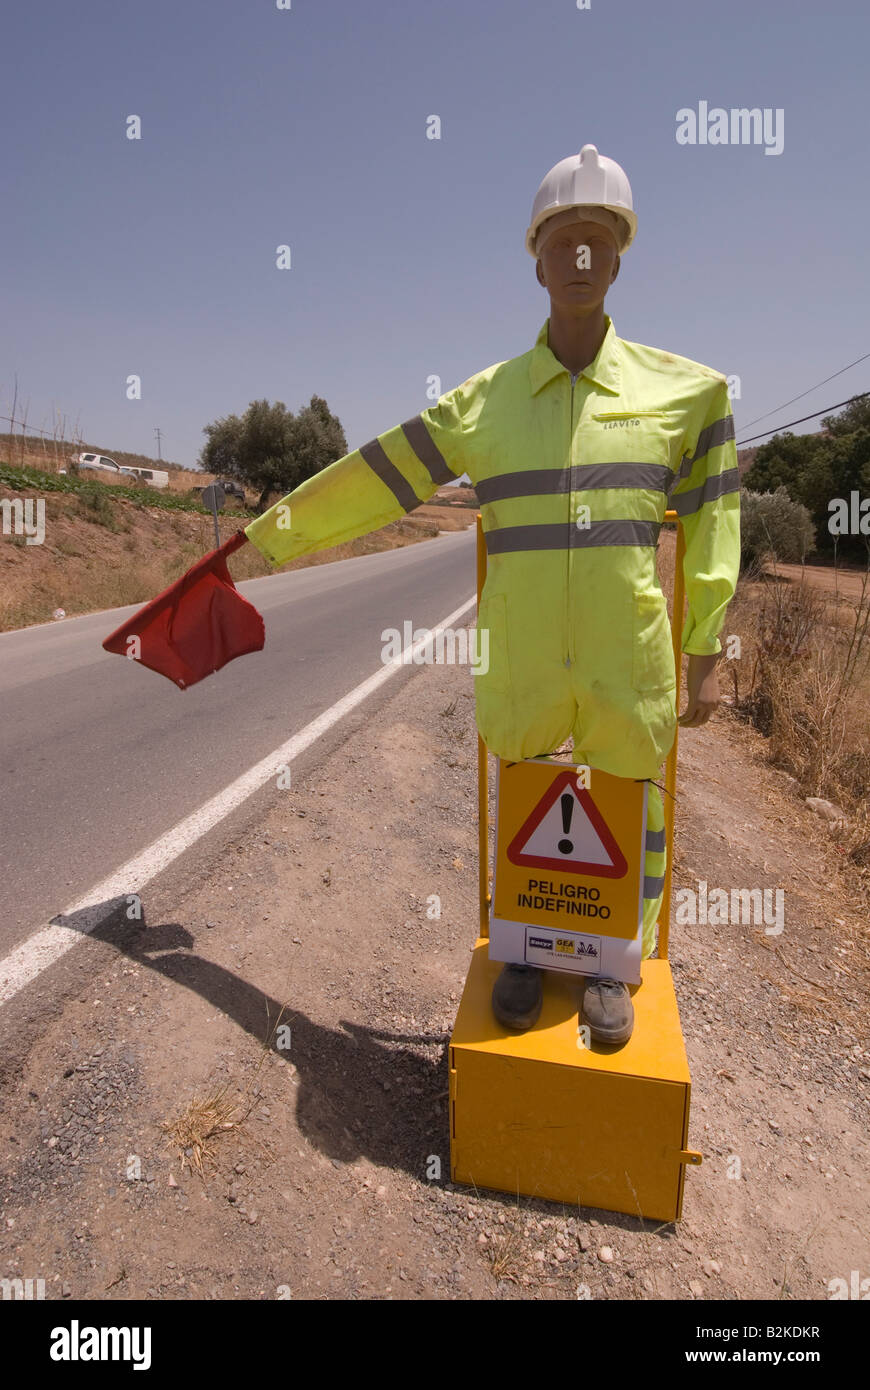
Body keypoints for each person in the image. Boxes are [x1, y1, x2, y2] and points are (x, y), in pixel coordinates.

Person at [237, 144, 740, 1044]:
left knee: (632, 803)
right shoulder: (488, 401)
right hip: (521, 648)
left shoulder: (688, 394)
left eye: (598, 241)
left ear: (620, 258)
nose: (581, 258)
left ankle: (616, 962)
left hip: (627, 649)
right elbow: (378, 476)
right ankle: (525, 947)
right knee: (527, 793)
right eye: (563, 241)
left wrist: (706, 649)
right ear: (536, 260)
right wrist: (270, 535)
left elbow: (714, 522)